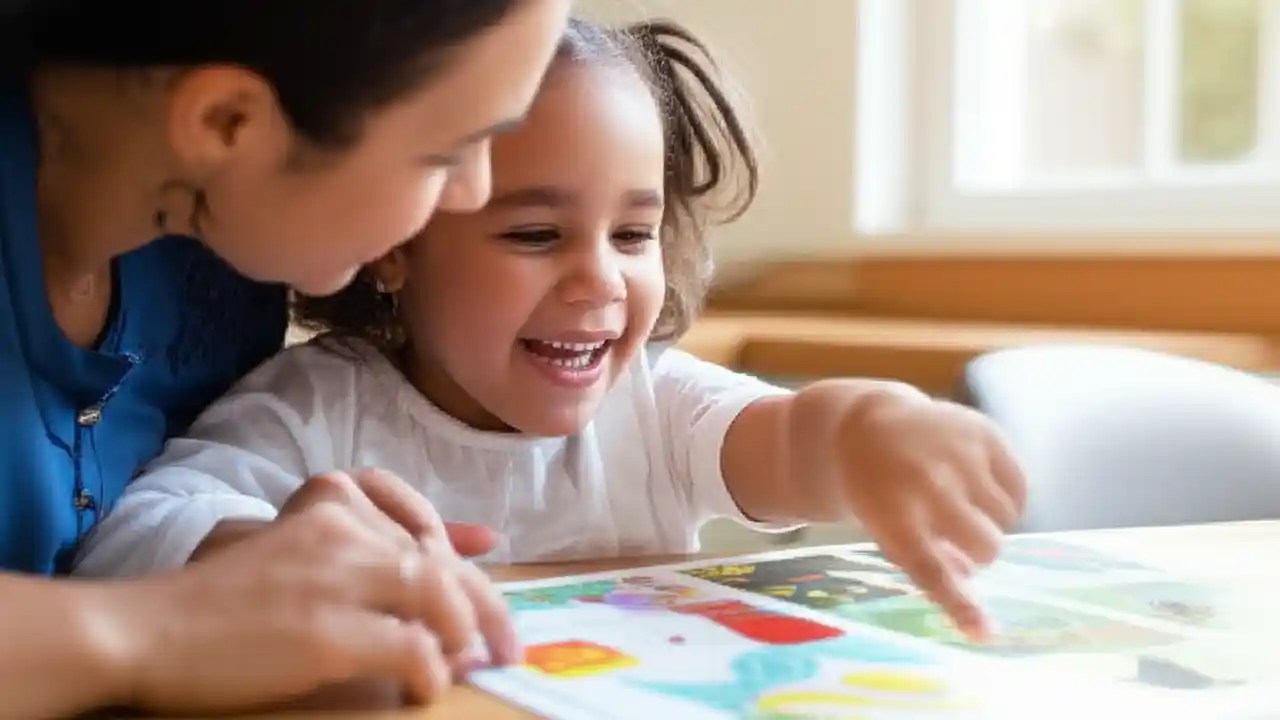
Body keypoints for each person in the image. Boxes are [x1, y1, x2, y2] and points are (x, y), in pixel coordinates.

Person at [79, 16, 1027, 650]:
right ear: (396, 247)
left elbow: (790, 443)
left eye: (632, 234)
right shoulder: (318, 410)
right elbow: (125, 541)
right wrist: (260, 549)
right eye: (535, 234)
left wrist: (866, 434)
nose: (599, 279)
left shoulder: (656, 406)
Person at [0, 0, 570, 716]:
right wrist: (161, 628)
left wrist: (230, 552)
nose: (473, 194)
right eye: (445, 154)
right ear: (225, 122)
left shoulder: (220, 279)